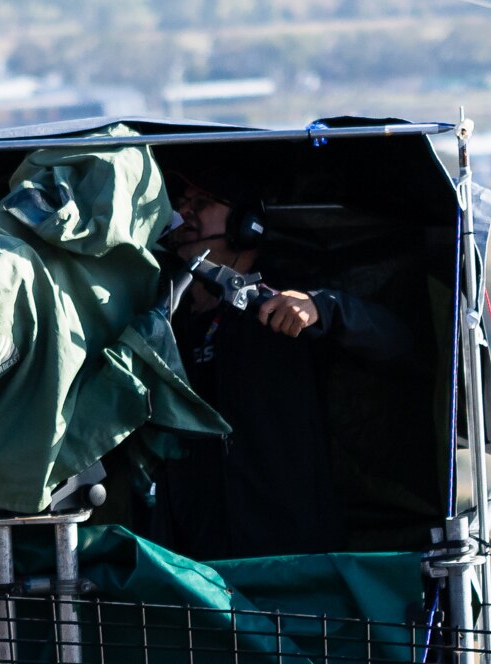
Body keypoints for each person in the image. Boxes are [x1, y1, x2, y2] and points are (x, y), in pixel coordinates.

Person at [150, 189, 417, 563]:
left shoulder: (290, 306)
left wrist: (325, 310)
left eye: (203, 201)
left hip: (290, 559)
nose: (183, 212)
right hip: (190, 558)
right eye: (181, 203)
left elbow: (402, 347)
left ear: (247, 223)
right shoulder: (161, 320)